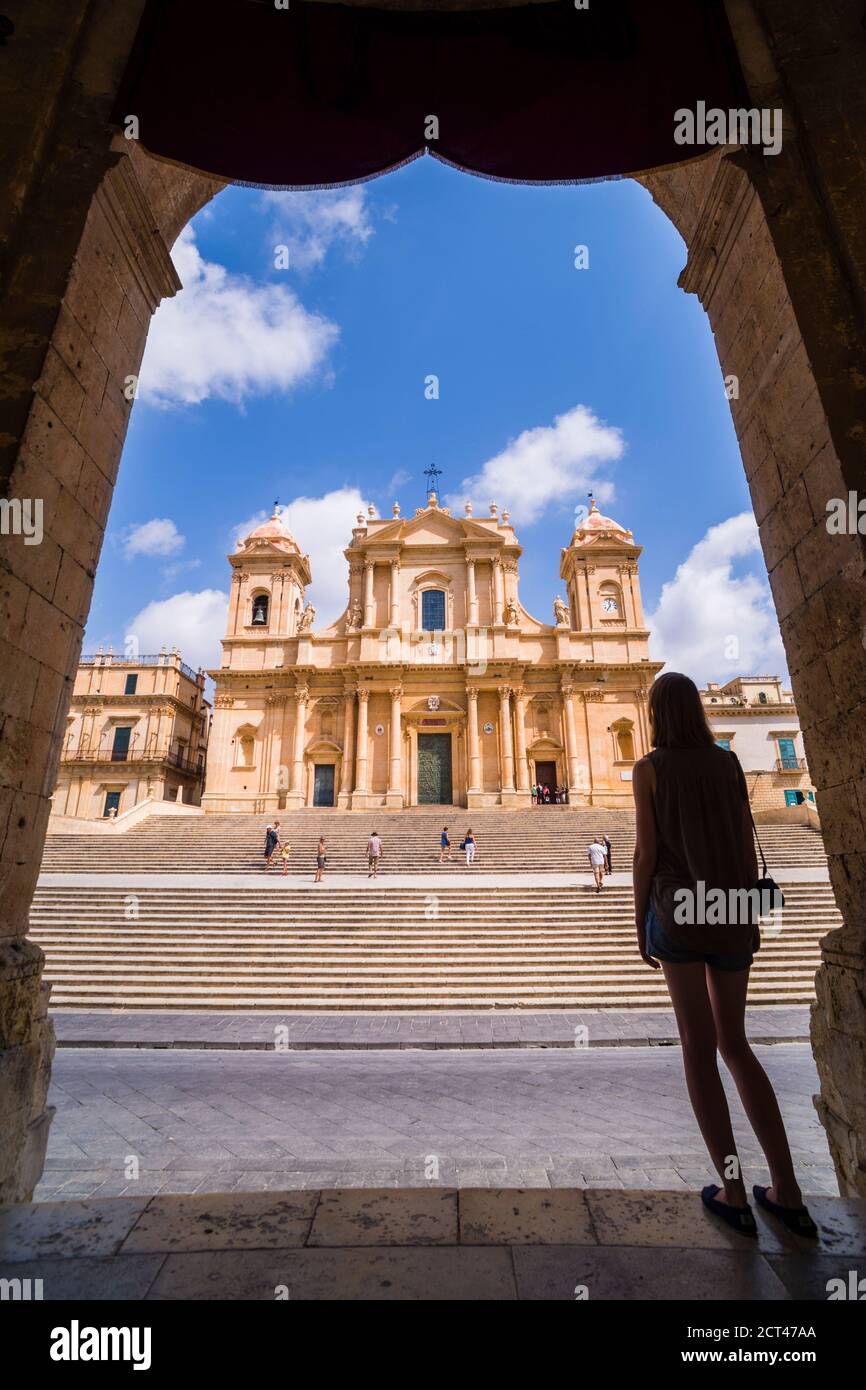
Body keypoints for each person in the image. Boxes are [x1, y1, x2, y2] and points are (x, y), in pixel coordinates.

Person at [632, 671, 816, 1239]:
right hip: (732, 909)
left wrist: (642, 922)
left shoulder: (650, 768)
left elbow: (644, 853)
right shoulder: (730, 764)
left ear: (656, 713)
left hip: (681, 909)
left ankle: (734, 1191)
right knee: (737, 1045)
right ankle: (787, 1190)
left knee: (698, 1048)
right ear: (698, 711)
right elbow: (742, 834)